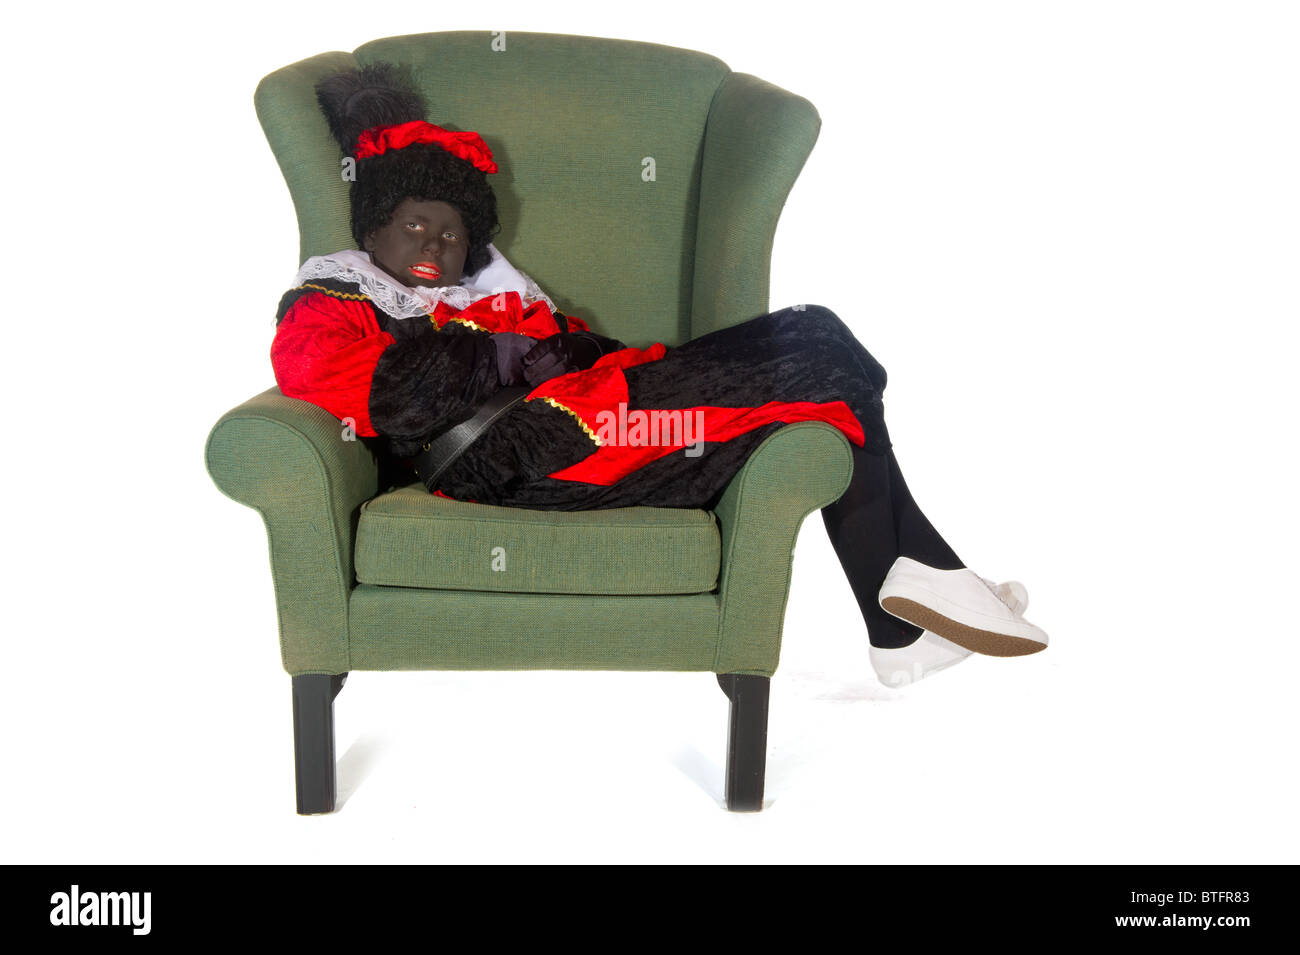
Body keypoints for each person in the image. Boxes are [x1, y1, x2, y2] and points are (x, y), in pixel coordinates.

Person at [271, 64, 1050, 686]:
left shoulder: (489, 297)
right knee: (818, 349)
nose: (434, 244)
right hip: (515, 453)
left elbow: (571, 354)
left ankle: (903, 616)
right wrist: (508, 356)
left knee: (817, 348)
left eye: (450, 232)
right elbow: (382, 391)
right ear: (373, 227)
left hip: (585, 415)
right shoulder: (334, 301)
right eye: (415, 224)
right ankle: (910, 593)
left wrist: (582, 355)